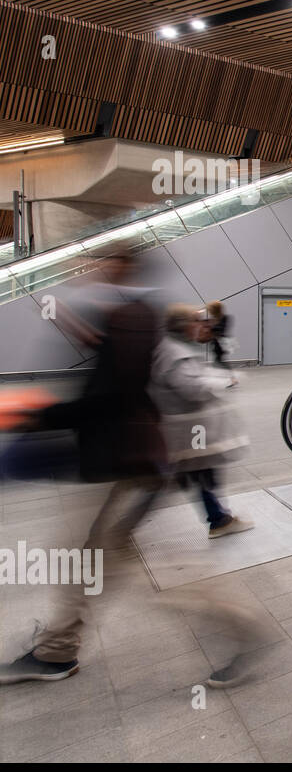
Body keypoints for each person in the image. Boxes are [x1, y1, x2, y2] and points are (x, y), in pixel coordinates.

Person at [0, 249, 167, 684]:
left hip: (120, 456)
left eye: (105, 262)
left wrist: (40, 416)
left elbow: (115, 394)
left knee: (92, 556)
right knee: (91, 554)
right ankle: (57, 649)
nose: (95, 268)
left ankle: (236, 624)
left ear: (123, 268)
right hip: (123, 456)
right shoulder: (127, 313)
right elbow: (119, 372)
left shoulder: (132, 315)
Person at [154, 305, 253, 539]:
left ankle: (219, 517)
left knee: (201, 473)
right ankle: (219, 519)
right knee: (196, 473)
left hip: (189, 428)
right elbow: (192, 388)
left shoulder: (175, 347)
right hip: (187, 429)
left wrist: (222, 378)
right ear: (185, 325)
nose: (204, 327)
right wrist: (226, 382)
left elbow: (195, 376)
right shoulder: (174, 352)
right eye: (198, 322)